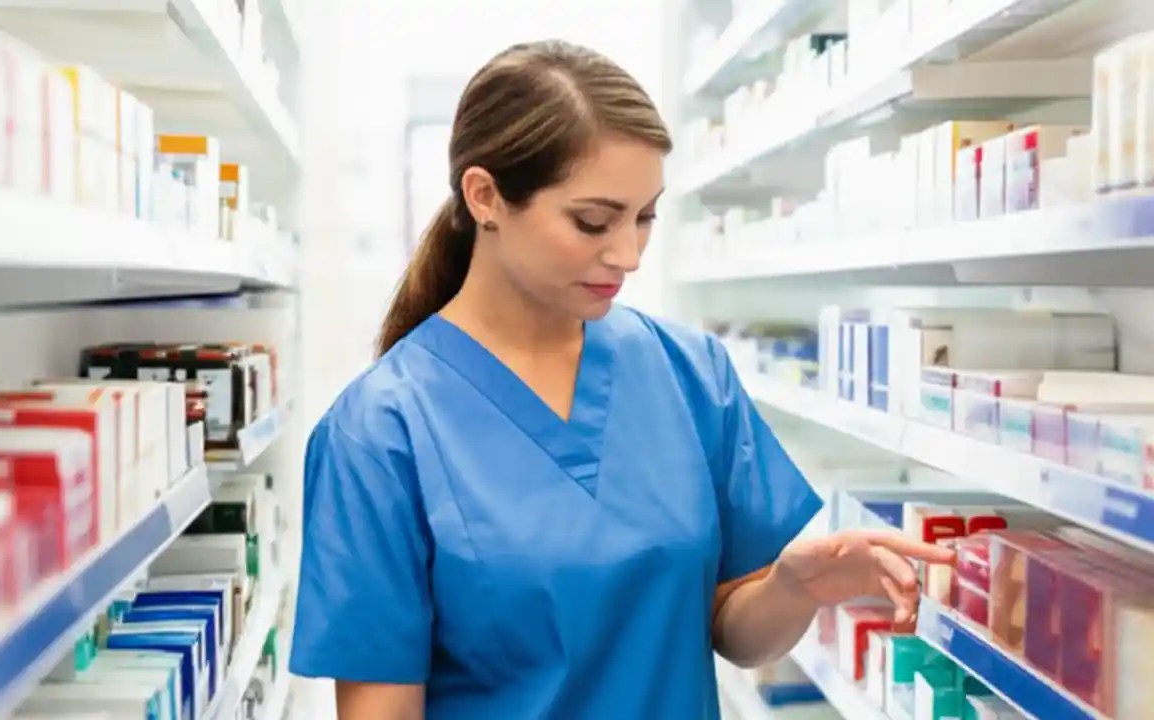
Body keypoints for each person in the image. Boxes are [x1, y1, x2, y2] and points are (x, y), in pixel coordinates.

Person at [289, 40, 952, 719]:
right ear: (485, 196)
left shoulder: (691, 374)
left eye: (645, 217)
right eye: (594, 221)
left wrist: (793, 588)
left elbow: (735, 632)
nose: (629, 254)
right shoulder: (379, 432)